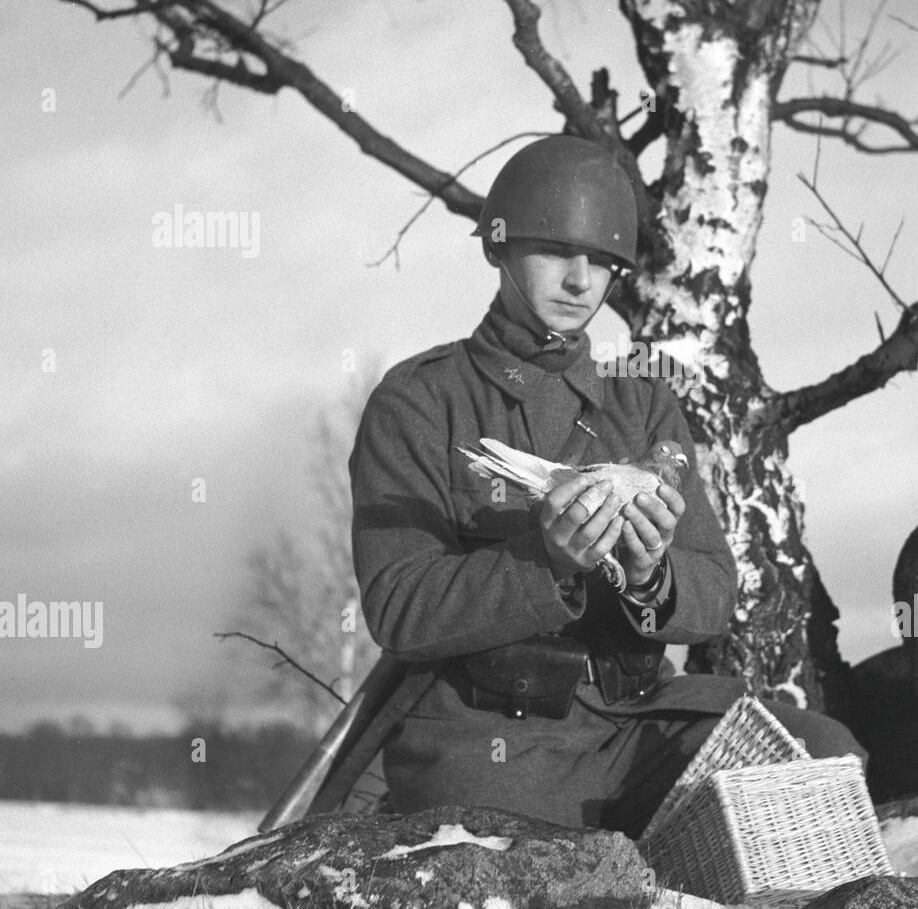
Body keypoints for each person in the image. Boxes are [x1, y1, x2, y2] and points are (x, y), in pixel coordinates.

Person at [349, 135, 868, 836]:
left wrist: (652, 578)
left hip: (635, 728)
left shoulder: (641, 402)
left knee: (823, 755)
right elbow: (398, 607)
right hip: (489, 743)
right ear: (497, 248)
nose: (580, 281)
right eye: (556, 252)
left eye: (601, 262)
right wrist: (545, 561)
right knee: (536, 859)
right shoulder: (421, 400)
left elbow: (713, 591)